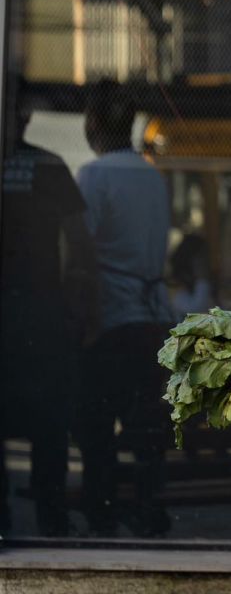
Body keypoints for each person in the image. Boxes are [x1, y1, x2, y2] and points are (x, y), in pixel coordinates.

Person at [74, 79, 172, 537]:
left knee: (95, 428)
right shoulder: (151, 175)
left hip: (111, 320)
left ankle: (104, 514)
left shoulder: (94, 175)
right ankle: (149, 509)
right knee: (147, 429)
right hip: (153, 319)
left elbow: (80, 254)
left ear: (93, 124)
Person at [0, 81, 96, 536]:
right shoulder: (50, 166)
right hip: (43, 312)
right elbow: (79, 245)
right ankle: (51, 519)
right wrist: (75, 310)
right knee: (50, 424)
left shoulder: (49, 166)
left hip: (30, 311)